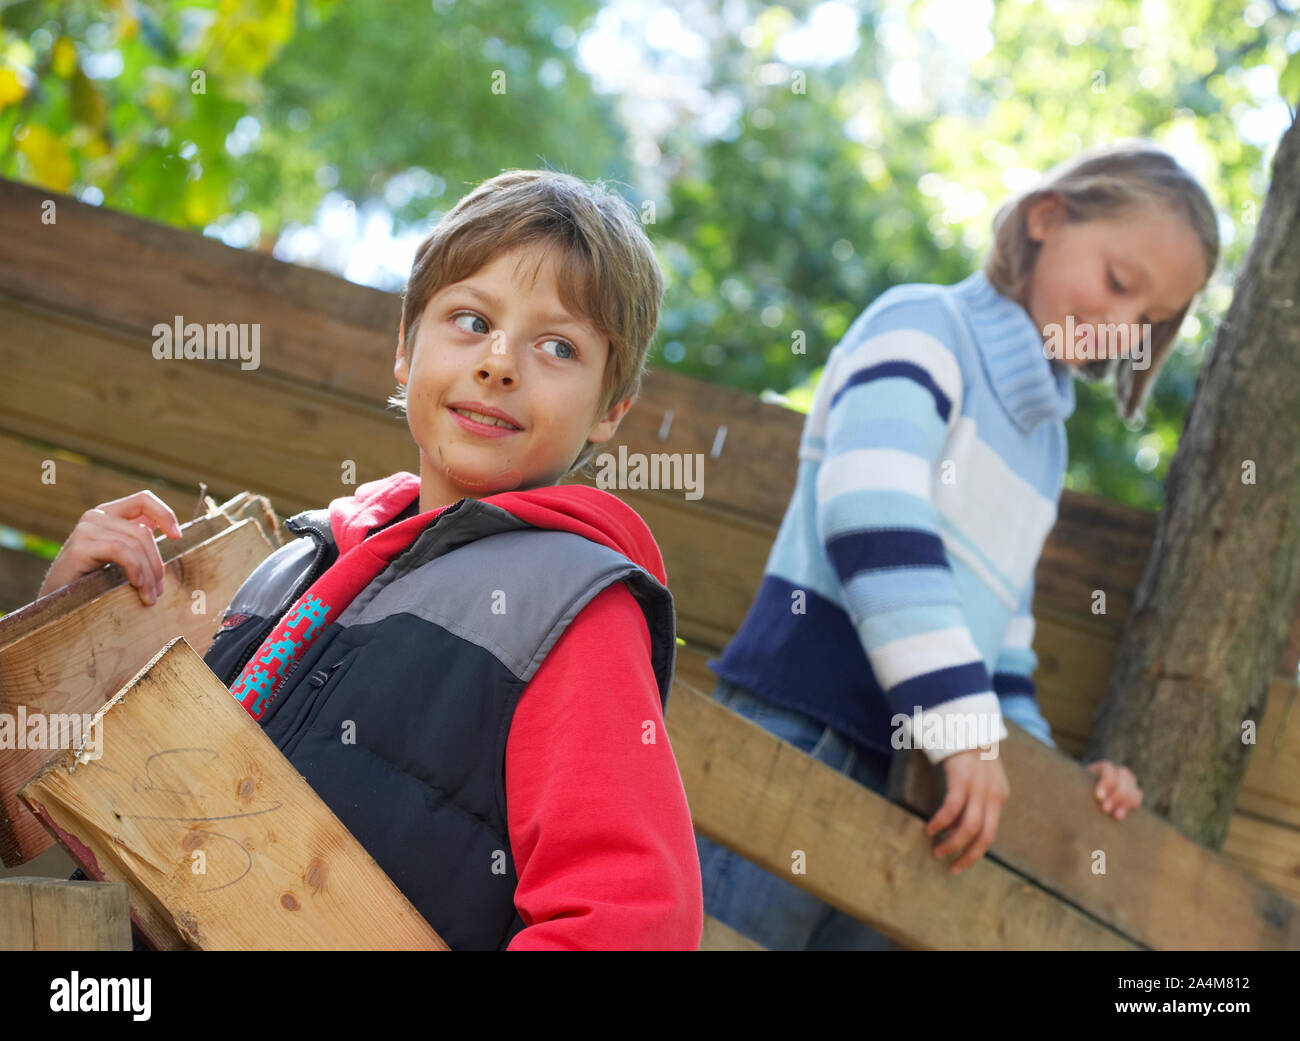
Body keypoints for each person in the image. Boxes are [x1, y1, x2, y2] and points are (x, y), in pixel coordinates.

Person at [38, 169, 703, 950]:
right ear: (403, 348)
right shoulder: (295, 565)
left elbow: (632, 921)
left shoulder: (571, 612)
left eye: (558, 346)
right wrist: (65, 617)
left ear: (611, 408)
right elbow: (100, 794)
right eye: (470, 318)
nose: (500, 362)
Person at [696, 140, 1219, 950]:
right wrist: (961, 727)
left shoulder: (1044, 449)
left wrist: (1060, 786)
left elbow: (1000, 647)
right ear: (1047, 219)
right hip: (808, 728)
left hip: (927, 793)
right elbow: (872, 512)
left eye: (1149, 320)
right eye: (1118, 283)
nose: (1121, 328)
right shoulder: (924, 325)